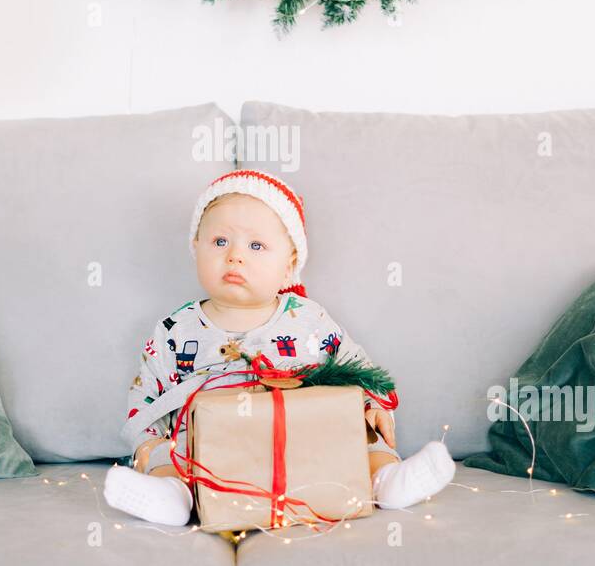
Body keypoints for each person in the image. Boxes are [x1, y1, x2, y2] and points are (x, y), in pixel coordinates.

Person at [104, 169, 454, 526]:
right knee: (167, 451)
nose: (235, 256)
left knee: (361, 435)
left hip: (300, 440)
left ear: (289, 267)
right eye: (220, 242)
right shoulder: (173, 329)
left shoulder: (308, 319)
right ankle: (171, 497)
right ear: (196, 247)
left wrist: (374, 405)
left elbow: (357, 369)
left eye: (256, 246)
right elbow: (145, 397)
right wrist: (145, 445)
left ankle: (387, 481)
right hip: (207, 450)